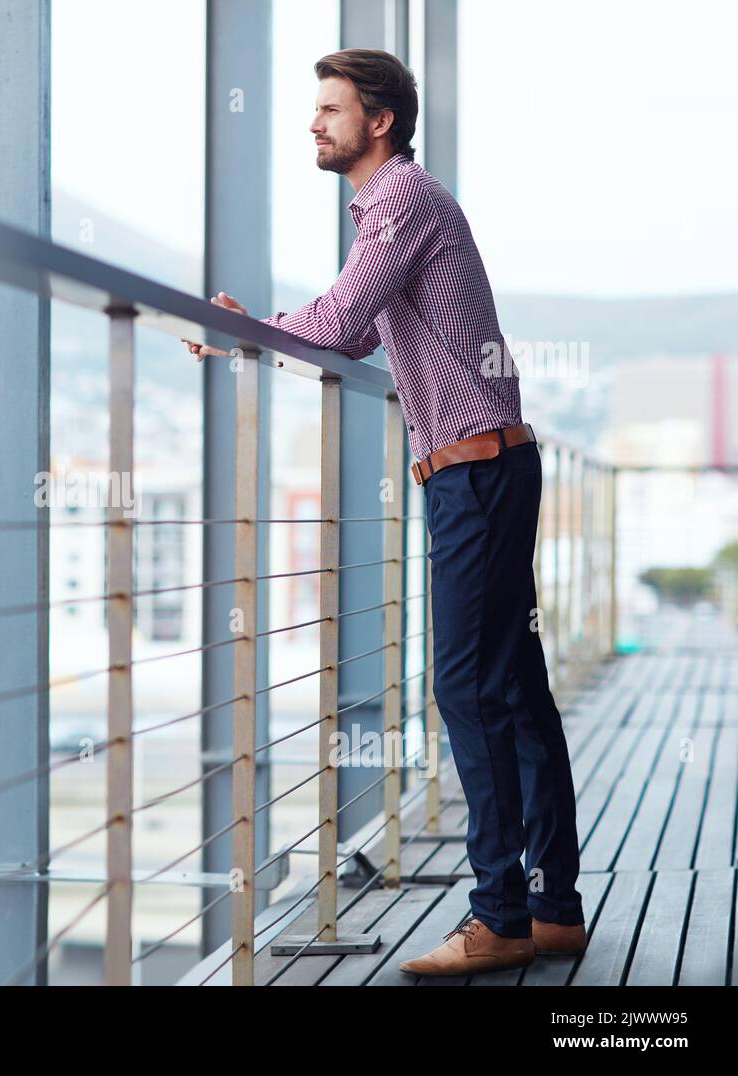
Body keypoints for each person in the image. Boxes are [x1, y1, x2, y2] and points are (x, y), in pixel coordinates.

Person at [183, 47, 586, 976]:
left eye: (331, 109)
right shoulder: (394, 208)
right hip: (487, 468)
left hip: (474, 474)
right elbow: (357, 328)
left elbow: (334, 323)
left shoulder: (401, 199)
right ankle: (551, 905)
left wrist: (242, 331)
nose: (314, 123)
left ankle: (500, 917)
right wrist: (265, 327)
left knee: (467, 689)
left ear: (382, 122)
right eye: (315, 108)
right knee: (514, 687)